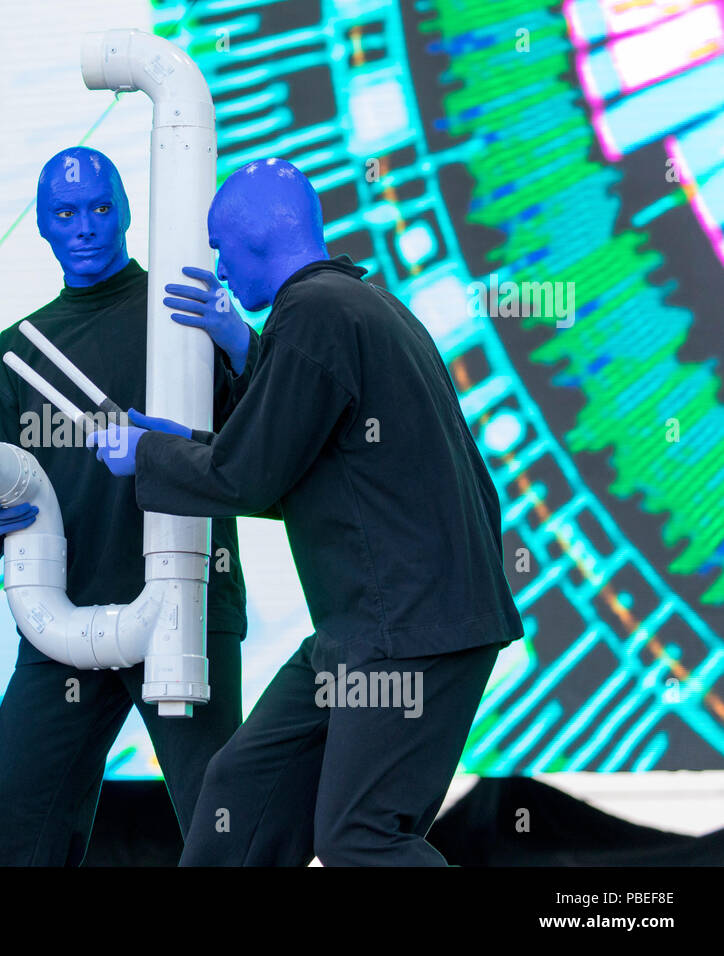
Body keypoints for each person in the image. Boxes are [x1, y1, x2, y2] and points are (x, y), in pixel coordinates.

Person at [89, 158, 523, 865]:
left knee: (362, 838)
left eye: (221, 249)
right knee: (242, 791)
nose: (219, 272)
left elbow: (247, 475)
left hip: (404, 629)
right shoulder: (358, 306)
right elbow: (292, 448)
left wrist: (147, 455)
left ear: (258, 237)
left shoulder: (315, 313)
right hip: (377, 625)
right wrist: (237, 352)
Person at [0, 146, 259, 866]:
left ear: (127, 211)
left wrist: (240, 339)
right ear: (41, 225)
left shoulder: (181, 316)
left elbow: (265, 430)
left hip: (184, 603)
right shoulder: (17, 354)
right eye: (66, 213)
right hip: (63, 616)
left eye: (100, 208)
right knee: (6, 829)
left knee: (229, 832)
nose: (86, 226)